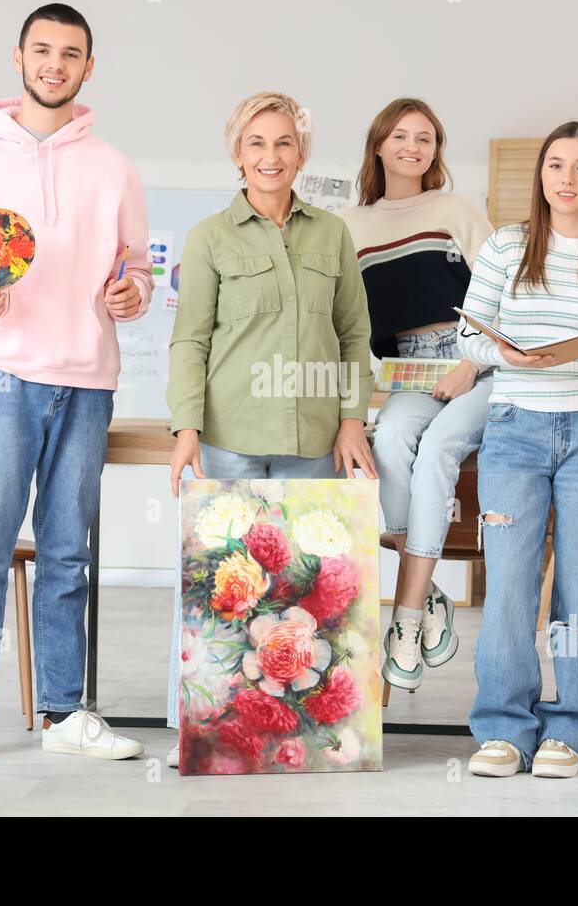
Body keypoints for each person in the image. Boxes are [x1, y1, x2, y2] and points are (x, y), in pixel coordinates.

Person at [0, 3, 153, 765]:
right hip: (3, 378)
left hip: (87, 383)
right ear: (18, 59)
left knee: (67, 554)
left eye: (70, 53)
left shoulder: (113, 167)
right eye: (42, 50)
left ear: (88, 68)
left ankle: (63, 713)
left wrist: (133, 296)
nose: (55, 63)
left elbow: (138, 272)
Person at [164, 91, 376, 767]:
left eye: (284, 142)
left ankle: (296, 737)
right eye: (256, 143)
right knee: (218, 590)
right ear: (237, 152)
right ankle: (201, 730)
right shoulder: (209, 238)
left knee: (302, 595)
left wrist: (351, 420)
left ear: (302, 153)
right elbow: (190, 340)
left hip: (312, 439)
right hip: (229, 434)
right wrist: (186, 429)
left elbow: (353, 335)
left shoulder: (331, 234)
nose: (271, 156)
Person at [458, 120, 578, 779]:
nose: (567, 179)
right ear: (540, 177)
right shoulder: (507, 247)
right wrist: (501, 351)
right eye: (556, 166)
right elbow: (468, 335)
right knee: (509, 584)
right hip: (515, 428)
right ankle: (505, 731)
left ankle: (571, 731)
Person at [340, 97, 495, 692]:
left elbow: (499, 294)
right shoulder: (352, 226)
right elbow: (351, 321)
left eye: (425, 137)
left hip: (478, 360)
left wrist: (468, 361)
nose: (412, 146)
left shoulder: (456, 208)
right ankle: (427, 595)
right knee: (390, 444)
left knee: (435, 453)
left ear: (436, 149)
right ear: (378, 145)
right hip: (407, 370)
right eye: (400, 135)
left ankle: (404, 620)